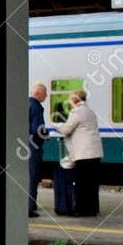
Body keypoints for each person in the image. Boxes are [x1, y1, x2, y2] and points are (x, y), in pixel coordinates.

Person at [51, 88, 104, 217]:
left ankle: (81, 210)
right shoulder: (90, 111)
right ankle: (92, 209)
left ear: (74, 100)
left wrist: (54, 126)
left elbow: (66, 130)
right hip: (95, 152)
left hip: (84, 153)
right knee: (92, 183)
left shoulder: (77, 112)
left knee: (81, 182)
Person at [27, 82, 48, 217]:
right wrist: (46, 135)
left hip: (24, 144)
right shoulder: (36, 107)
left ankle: (29, 205)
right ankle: (29, 208)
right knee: (32, 177)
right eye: (45, 93)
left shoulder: (25, 103)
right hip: (33, 146)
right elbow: (38, 129)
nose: (46, 96)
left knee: (27, 176)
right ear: (38, 93)